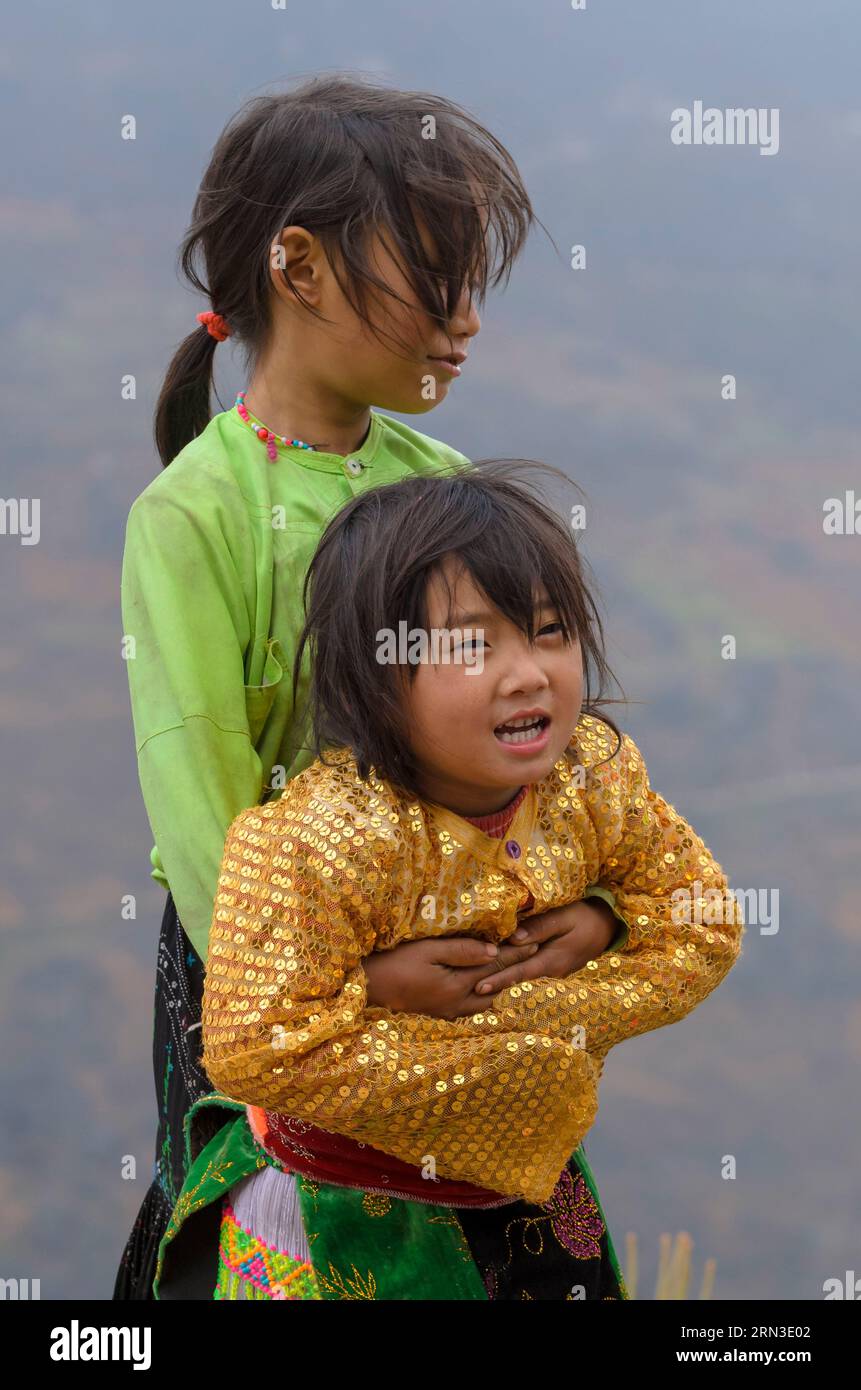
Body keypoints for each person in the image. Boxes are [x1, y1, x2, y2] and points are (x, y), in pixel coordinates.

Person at [114, 71, 558, 1299]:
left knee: (473, 1244)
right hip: (267, 978)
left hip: (454, 949)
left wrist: (576, 907)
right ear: (297, 266)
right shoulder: (194, 517)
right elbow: (198, 800)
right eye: (434, 275)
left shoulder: (443, 481)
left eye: (474, 280)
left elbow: (524, 724)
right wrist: (330, 997)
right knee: (287, 1252)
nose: (465, 318)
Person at [152, 460, 745, 1300]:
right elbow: (255, 1048)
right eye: (471, 644)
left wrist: (599, 931)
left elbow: (703, 921)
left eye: (548, 630)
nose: (528, 672)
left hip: (525, 1196)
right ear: (375, 676)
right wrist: (385, 994)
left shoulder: (591, 780)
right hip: (332, 1213)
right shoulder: (319, 837)